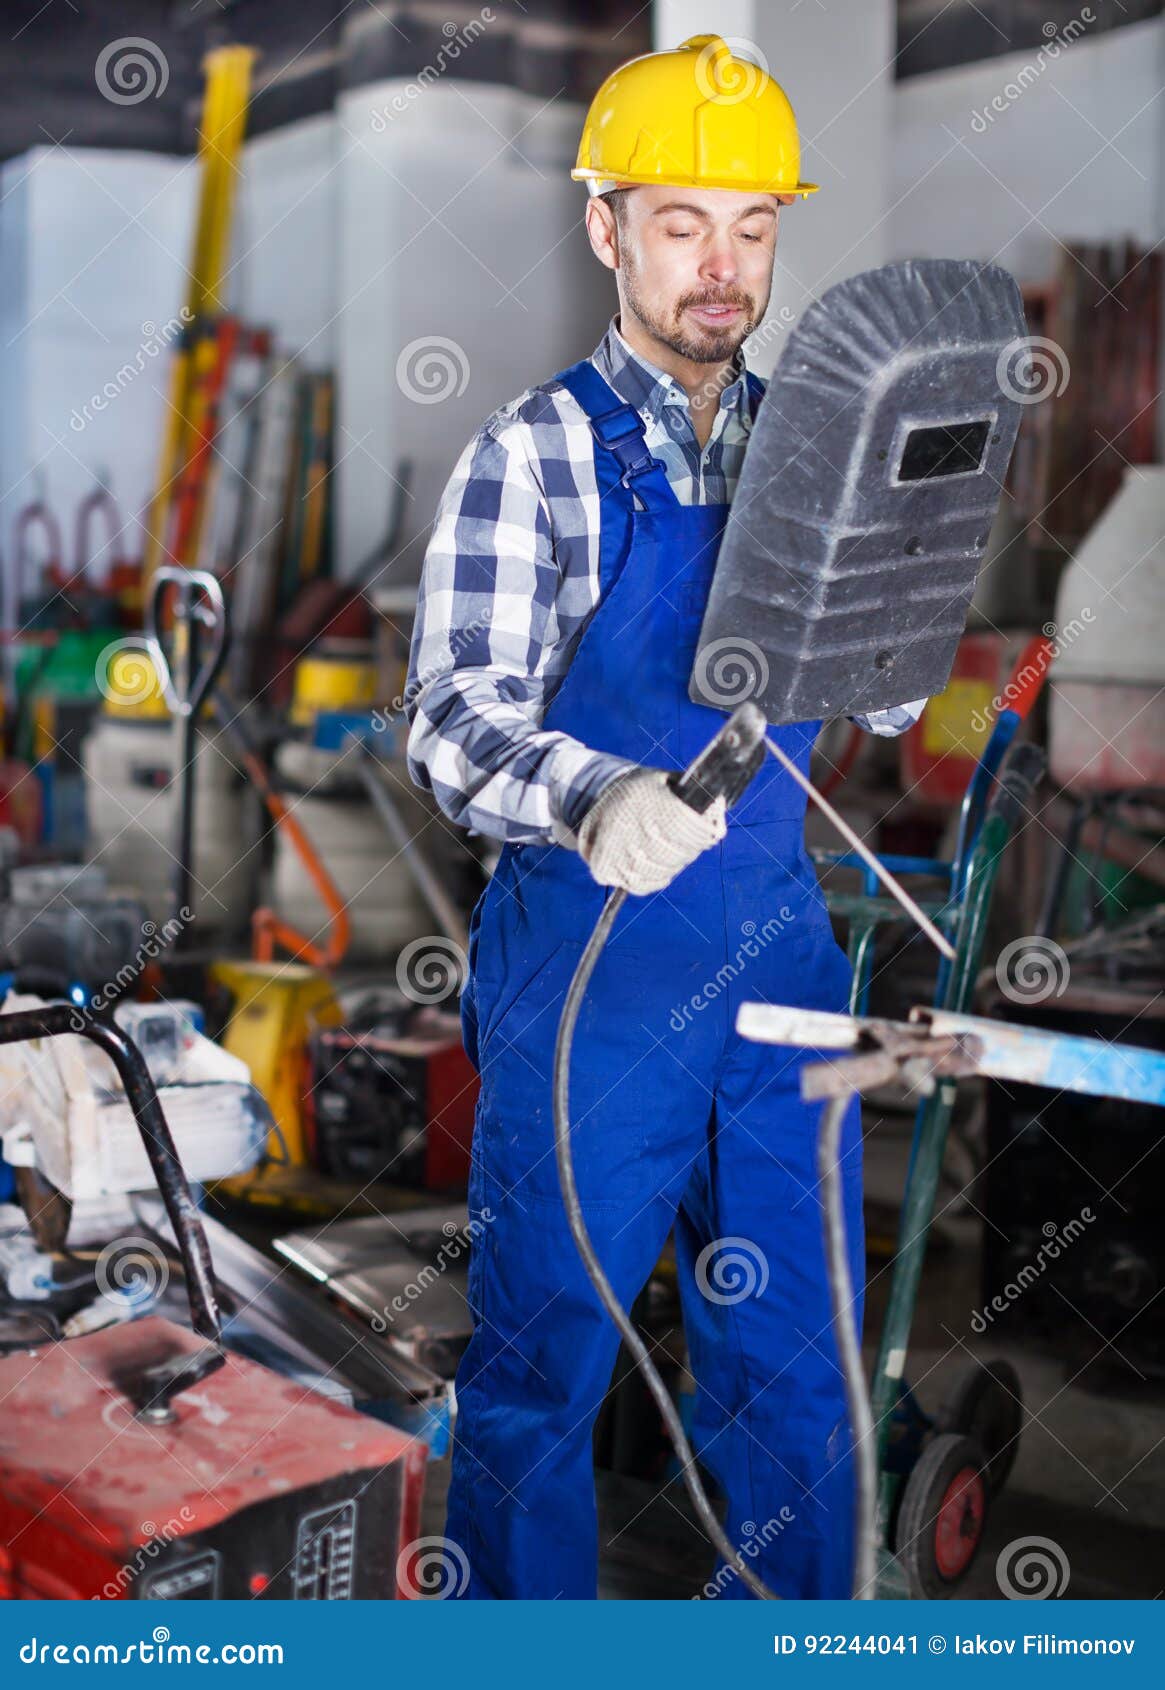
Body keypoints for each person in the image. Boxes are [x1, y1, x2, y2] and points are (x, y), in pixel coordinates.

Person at [405, 34, 924, 1600]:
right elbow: (445, 712)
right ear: (606, 228)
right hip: (592, 965)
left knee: (798, 1359)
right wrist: (593, 787)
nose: (723, 266)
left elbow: (888, 692)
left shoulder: (815, 451)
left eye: (753, 225)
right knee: (541, 1366)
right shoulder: (535, 455)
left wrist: (900, 629)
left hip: (777, 948)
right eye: (684, 222)